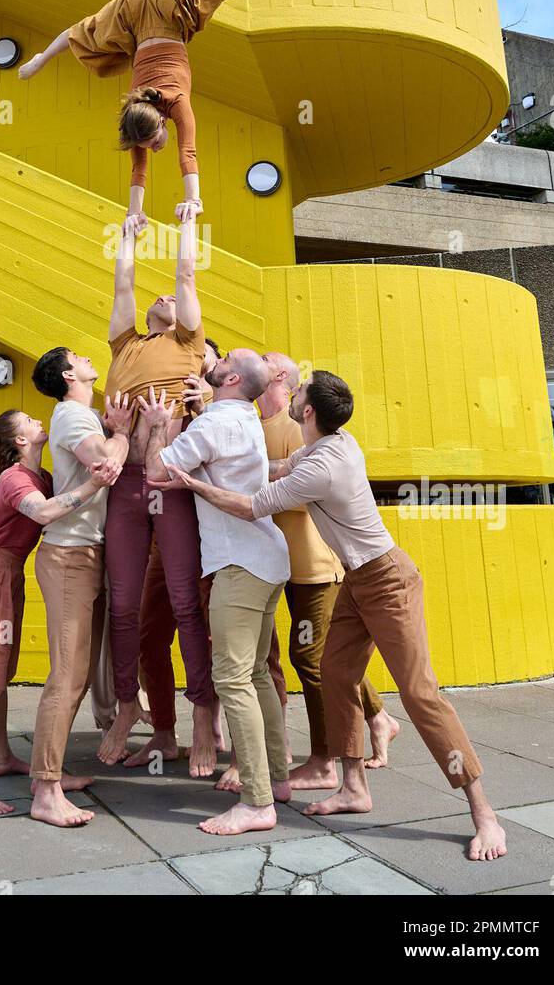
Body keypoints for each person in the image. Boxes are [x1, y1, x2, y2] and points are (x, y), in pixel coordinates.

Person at [163, 369, 508, 862]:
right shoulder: (331, 444)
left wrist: (193, 482)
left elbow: (251, 505)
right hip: (357, 582)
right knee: (334, 672)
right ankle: (352, 787)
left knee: (419, 693)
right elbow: (276, 470)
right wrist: (225, 453)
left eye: (298, 388)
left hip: (389, 582)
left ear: (305, 412)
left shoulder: (322, 465)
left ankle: (484, 814)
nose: (290, 386)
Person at [17, 0, 381, 225]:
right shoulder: (133, 115)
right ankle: (41, 58)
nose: (155, 148)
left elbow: (186, 155)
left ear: (161, 123)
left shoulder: (175, 102)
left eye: (155, 141)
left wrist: (194, 199)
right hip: (141, 7)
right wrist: (134, 213)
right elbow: (138, 169)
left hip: (169, 6)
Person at [0, 408, 114, 817]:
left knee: (0, 675)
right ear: (21, 441)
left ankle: (3, 757)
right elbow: (46, 513)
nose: (38, 421)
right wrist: (96, 482)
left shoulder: (41, 477)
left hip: (5, 576)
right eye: (29, 421)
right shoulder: (15, 478)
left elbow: (61, 497)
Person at [142, 348, 293, 837]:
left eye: (224, 358)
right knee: (257, 674)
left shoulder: (209, 426)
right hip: (269, 558)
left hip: (238, 563)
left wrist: (160, 425)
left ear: (227, 378)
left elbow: (156, 475)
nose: (218, 357)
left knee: (232, 679)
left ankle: (256, 801)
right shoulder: (243, 418)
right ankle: (278, 778)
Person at [96, 214, 217, 774]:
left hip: (169, 483)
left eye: (173, 297)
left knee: (187, 600)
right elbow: (123, 285)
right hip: (126, 485)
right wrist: (127, 239)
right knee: (122, 604)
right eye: (159, 295)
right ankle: (127, 706)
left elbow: (187, 272)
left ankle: (201, 712)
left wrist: (185, 225)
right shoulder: (125, 343)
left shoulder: (189, 340)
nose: (166, 294)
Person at [247, 351, 399, 792]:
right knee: (327, 657)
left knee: (310, 659)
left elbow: (299, 491)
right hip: (283, 567)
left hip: (315, 568)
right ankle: (378, 718)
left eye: (263, 361)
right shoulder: (259, 426)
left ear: (278, 377)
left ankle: (325, 761)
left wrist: (251, 488)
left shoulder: (303, 430)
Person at [28, 349, 135, 827]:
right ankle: (45, 791)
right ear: (69, 375)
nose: (92, 358)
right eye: (79, 357)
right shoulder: (73, 416)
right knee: (66, 676)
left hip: (85, 554)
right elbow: (105, 467)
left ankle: (51, 772)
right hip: (69, 556)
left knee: (79, 675)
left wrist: (114, 432)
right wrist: (123, 433)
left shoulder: (81, 414)